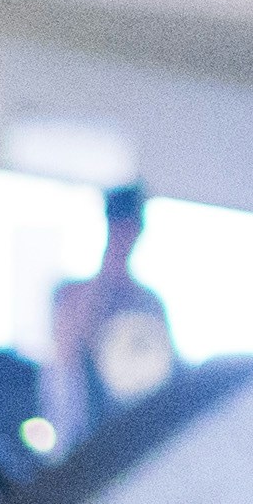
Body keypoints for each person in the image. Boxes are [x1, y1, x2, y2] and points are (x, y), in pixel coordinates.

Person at [42, 184, 177, 447]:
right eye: (120, 227)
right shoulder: (73, 297)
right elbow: (64, 370)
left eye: (131, 229)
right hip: (85, 440)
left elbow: (166, 375)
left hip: (139, 434)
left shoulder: (149, 303)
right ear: (110, 225)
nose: (125, 237)